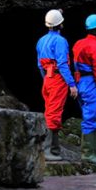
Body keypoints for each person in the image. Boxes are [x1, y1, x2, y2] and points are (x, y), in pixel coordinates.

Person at [36, 9, 77, 161]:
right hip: (57, 79)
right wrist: (71, 84)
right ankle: (47, 151)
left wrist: (46, 78)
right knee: (54, 114)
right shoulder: (60, 41)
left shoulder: (41, 40)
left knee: (50, 111)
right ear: (60, 24)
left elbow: (39, 65)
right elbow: (63, 64)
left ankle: (54, 149)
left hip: (47, 78)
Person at [72, 14, 96, 164]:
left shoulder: (78, 43)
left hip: (79, 82)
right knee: (91, 117)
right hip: (90, 84)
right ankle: (88, 153)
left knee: (87, 115)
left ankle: (90, 151)